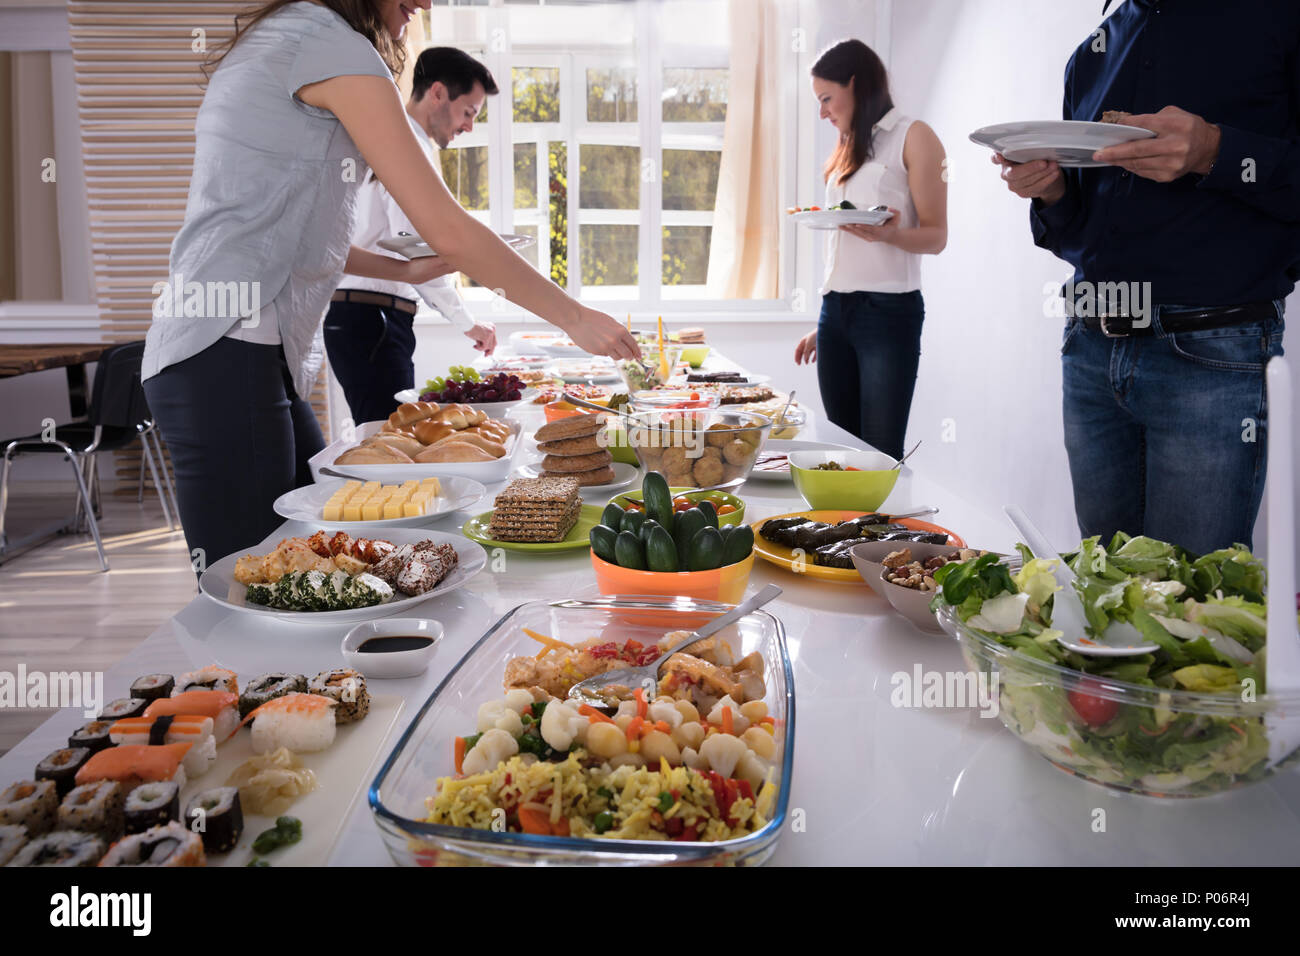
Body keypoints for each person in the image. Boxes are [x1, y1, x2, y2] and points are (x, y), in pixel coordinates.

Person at [141, 0, 639, 569]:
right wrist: (573, 316)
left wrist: (401, 272)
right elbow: (446, 226)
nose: (425, 4)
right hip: (222, 352)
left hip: (240, 354)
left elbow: (300, 236)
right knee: (251, 581)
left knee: (318, 552)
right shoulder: (327, 45)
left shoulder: (302, 35)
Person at [992, 0, 1296, 555]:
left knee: (1191, 611)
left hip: (1213, 355)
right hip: (1088, 348)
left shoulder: (1277, 18)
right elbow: (1079, 231)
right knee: (1106, 591)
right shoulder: (1091, 53)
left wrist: (1215, 151)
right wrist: (1053, 191)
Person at [324, 46, 499, 426]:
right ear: (437, 92)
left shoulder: (390, 142)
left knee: (389, 441)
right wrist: (467, 321)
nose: (469, 126)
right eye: (468, 112)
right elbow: (416, 249)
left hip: (369, 317)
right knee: (390, 447)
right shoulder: (404, 150)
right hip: (372, 318)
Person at [793, 39, 947, 461]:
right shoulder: (849, 145)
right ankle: (844, 527)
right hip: (836, 313)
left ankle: (882, 529)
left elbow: (936, 236)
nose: (823, 111)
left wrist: (889, 234)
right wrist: (827, 322)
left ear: (856, 85)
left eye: (827, 98)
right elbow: (842, 244)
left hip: (887, 315)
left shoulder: (914, 136)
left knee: (878, 455)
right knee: (841, 452)